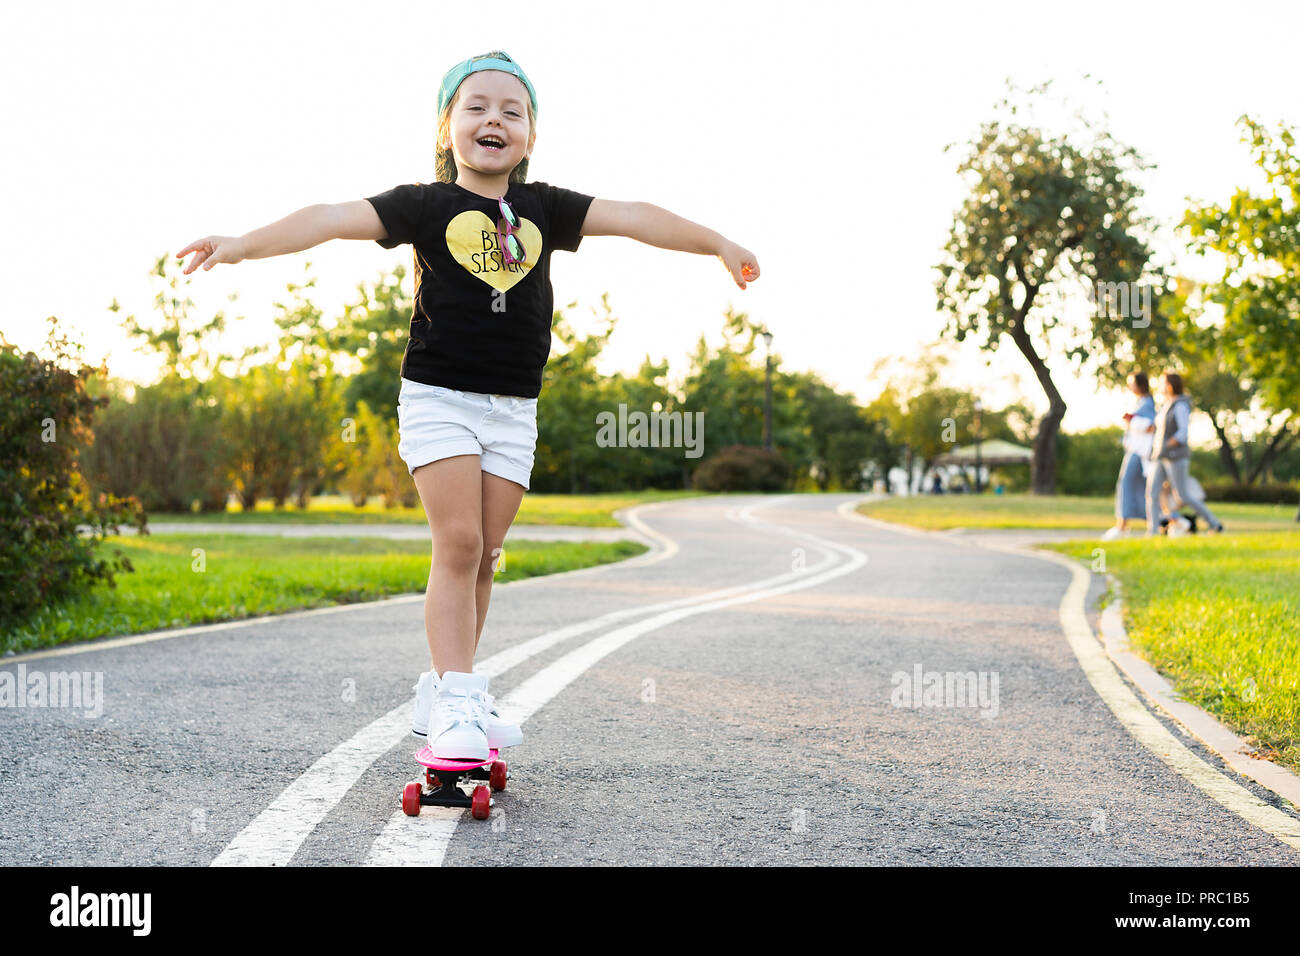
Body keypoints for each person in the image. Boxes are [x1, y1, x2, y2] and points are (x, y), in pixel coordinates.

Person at [176, 51, 760, 761]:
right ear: (447, 126)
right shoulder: (424, 204)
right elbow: (329, 217)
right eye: (477, 106)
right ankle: (457, 702)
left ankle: (449, 694)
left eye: (513, 111)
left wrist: (718, 244)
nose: (494, 119)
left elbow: (636, 215)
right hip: (439, 397)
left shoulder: (544, 207)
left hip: (515, 408)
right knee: (456, 545)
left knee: (484, 555)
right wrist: (240, 245)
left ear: (531, 137)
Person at [1145, 371, 1224, 537]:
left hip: (1175, 456)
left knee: (1182, 495)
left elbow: (1182, 433)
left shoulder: (1180, 405)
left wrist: (1166, 445)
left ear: (1171, 385)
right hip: (1160, 456)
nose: (1161, 386)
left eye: (1163, 383)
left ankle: (1214, 524)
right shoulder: (1165, 405)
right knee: (1152, 492)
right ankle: (1152, 531)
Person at [1102, 371, 1155, 540]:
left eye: (1132, 383)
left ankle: (1122, 526)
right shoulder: (1139, 402)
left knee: (1127, 484)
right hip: (1135, 450)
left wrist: (1132, 421)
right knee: (1146, 488)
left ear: (1140, 384)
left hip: (1139, 452)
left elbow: (1151, 427)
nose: (1129, 386)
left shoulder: (1147, 404)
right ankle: (1158, 522)